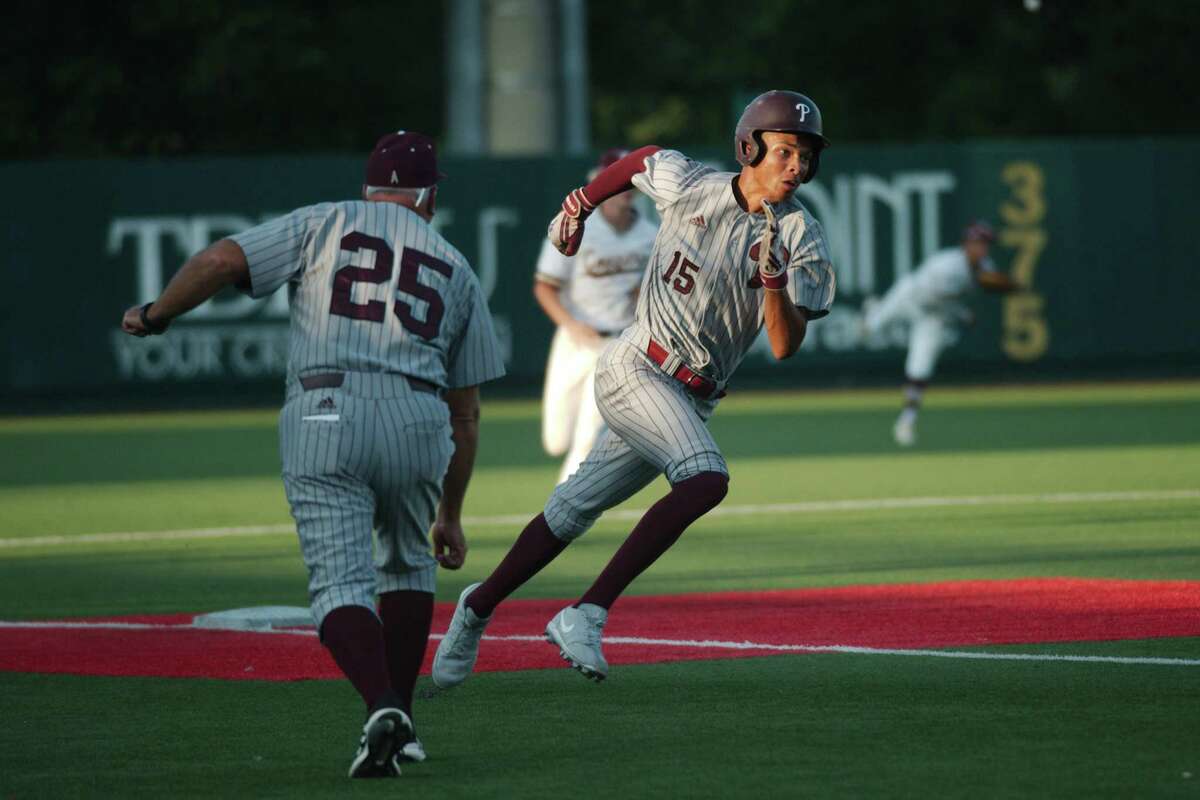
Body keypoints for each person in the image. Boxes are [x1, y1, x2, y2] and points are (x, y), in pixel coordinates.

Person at [120, 131, 506, 778]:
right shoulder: (456, 265)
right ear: (430, 196)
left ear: (370, 187)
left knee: (338, 585)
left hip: (325, 406)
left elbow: (219, 261)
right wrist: (452, 512)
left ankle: (383, 705)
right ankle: (403, 725)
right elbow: (465, 414)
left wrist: (157, 316)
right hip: (418, 415)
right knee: (409, 567)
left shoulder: (327, 220)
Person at [433, 89, 835, 687]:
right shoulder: (693, 184)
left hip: (692, 395)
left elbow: (784, 344)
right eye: (783, 151)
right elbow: (642, 157)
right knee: (705, 479)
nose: (796, 166)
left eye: (805, 155)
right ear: (749, 147)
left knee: (571, 509)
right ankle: (587, 613)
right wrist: (581, 203)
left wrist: (773, 285)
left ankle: (475, 608)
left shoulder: (802, 234)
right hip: (636, 364)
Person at [534, 148, 658, 485]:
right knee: (555, 439)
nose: (624, 191)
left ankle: (559, 509)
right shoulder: (576, 226)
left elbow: (657, 288)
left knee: (590, 432)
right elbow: (545, 286)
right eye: (616, 183)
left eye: (630, 183)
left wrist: (643, 294)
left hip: (618, 345)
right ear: (600, 184)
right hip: (575, 340)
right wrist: (572, 325)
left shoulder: (649, 235)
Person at [861, 221, 1019, 446]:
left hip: (932, 318)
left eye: (986, 244)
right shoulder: (948, 266)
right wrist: (964, 315)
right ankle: (873, 312)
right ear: (966, 244)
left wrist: (1010, 286)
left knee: (919, 370)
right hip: (910, 298)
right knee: (870, 329)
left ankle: (906, 421)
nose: (982, 249)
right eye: (978, 243)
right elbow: (939, 299)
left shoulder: (986, 266)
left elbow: (993, 283)